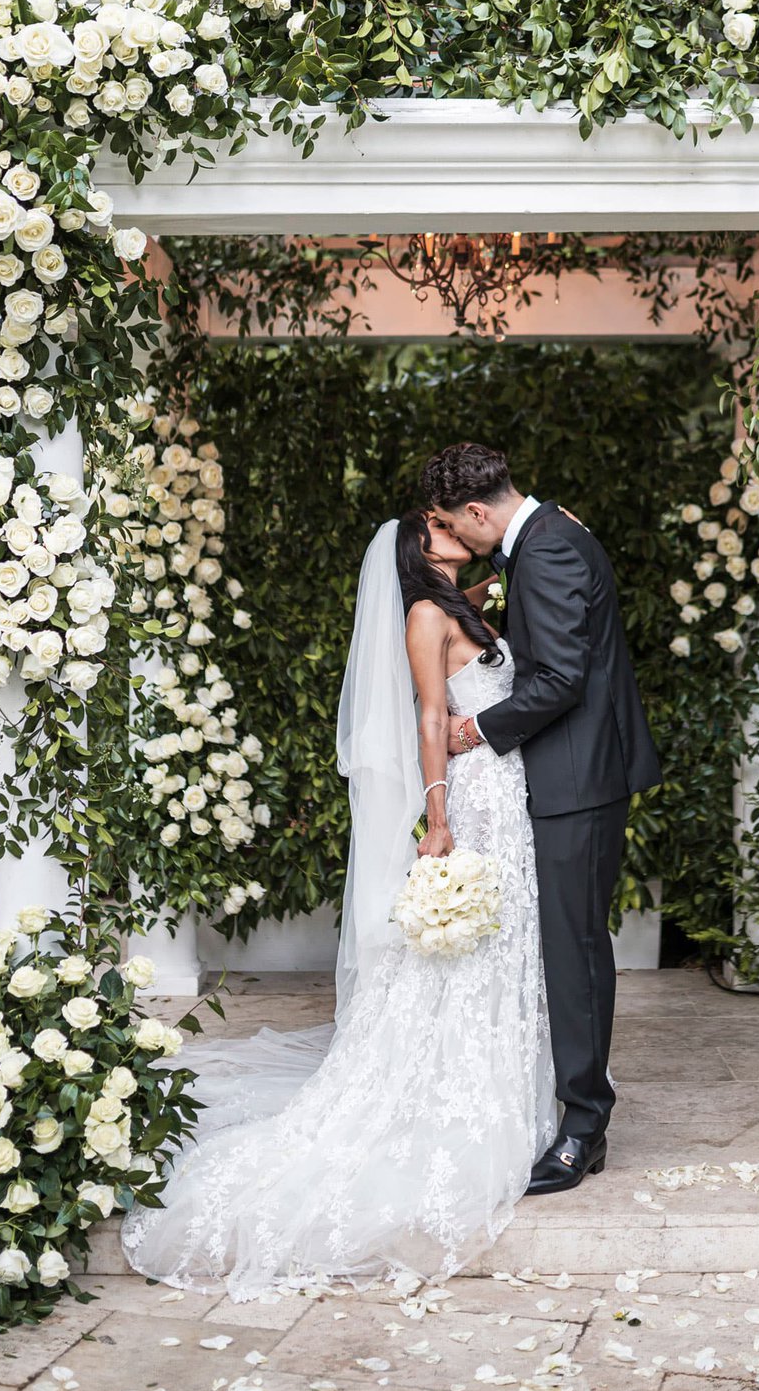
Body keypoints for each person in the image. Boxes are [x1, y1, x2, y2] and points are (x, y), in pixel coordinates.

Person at [120, 511, 555, 1297]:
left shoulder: (462, 604)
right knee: (467, 951)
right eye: (432, 526)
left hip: (506, 792)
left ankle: (504, 1083)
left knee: (499, 946)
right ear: (417, 554)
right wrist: (438, 815)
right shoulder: (426, 614)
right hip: (473, 802)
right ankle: (453, 1095)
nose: (446, 523)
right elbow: (429, 713)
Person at [421, 442, 662, 1195]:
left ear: (478, 510)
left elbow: (558, 679)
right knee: (569, 945)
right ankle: (579, 1108)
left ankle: (584, 1126)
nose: (460, 541)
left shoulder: (549, 547)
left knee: (576, 951)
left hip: (578, 778)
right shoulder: (545, 533)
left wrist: (473, 732)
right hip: (572, 773)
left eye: (458, 526)